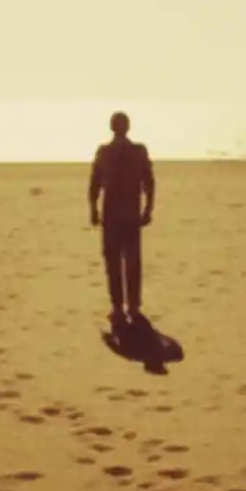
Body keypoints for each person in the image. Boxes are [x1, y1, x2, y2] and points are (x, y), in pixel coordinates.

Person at [89, 111, 155, 330]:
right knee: (131, 262)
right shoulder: (137, 151)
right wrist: (148, 208)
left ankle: (119, 306)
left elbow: (94, 184)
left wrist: (93, 209)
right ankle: (131, 306)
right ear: (127, 127)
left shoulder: (105, 152)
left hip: (114, 216)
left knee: (114, 262)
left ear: (112, 127)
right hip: (129, 214)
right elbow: (149, 182)